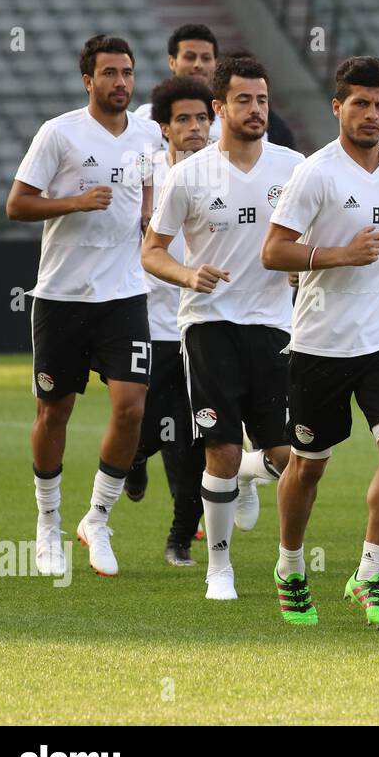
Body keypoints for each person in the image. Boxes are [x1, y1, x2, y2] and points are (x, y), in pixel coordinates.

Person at [260, 56, 379, 630]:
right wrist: (338, 255)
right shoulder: (316, 173)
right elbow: (274, 251)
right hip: (319, 345)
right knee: (307, 468)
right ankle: (289, 569)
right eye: (360, 103)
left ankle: (370, 574)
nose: (373, 114)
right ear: (338, 107)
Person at [142, 54, 303, 599]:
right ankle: (219, 569)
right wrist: (188, 273)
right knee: (221, 449)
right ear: (219, 107)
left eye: (262, 99)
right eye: (243, 100)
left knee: (291, 459)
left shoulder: (293, 168)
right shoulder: (188, 176)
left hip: (277, 327)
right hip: (209, 324)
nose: (256, 109)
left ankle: (252, 474)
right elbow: (152, 251)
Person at [7, 34, 161, 578]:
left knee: (131, 406)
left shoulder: (148, 134)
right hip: (61, 296)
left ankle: (97, 518)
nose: (120, 82)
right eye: (109, 73)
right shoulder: (60, 133)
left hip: (124, 294)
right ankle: (48, 522)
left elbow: (146, 184)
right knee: (55, 410)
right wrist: (75, 200)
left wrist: (145, 213)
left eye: (127, 72)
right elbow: (17, 203)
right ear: (87, 80)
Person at [141, 75, 212, 566]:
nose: (194, 128)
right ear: (163, 127)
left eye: (202, 118)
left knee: (194, 437)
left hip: (203, 323)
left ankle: (180, 538)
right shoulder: (141, 174)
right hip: (149, 319)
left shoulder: (223, 171)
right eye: (183, 119)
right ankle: (130, 459)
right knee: (141, 420)